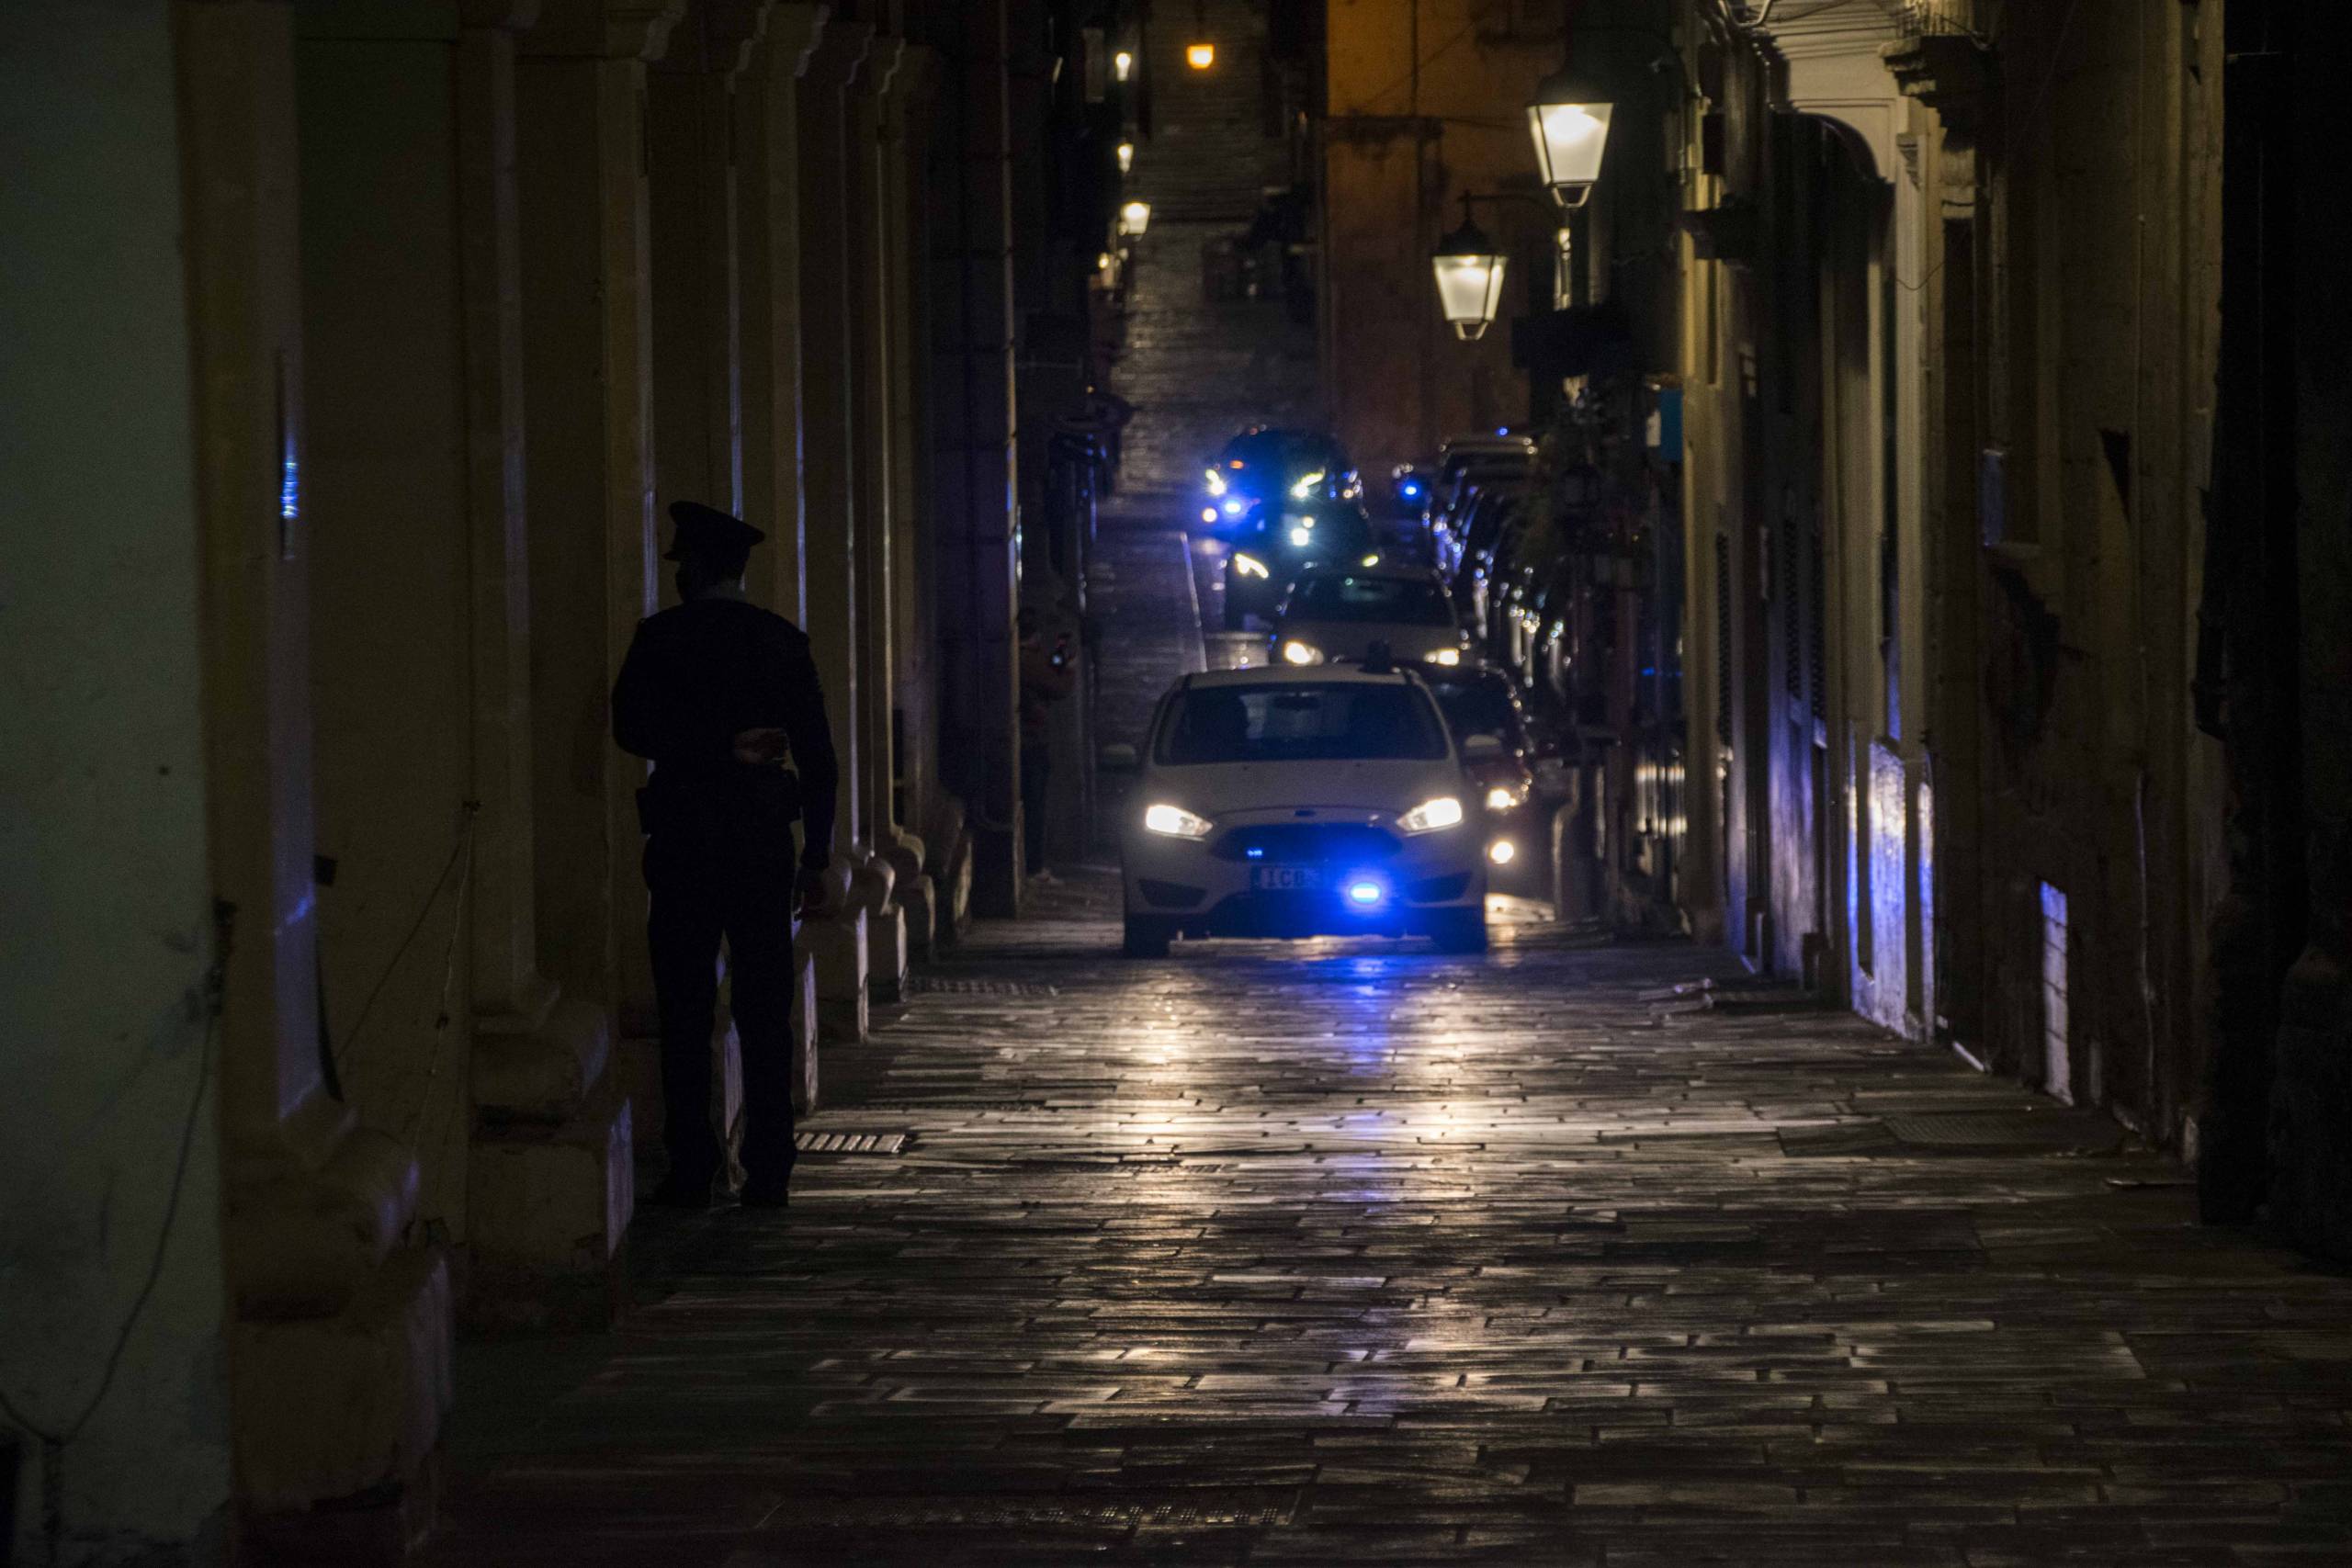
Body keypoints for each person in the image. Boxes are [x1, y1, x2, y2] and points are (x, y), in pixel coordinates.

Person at [613, 502, 838, 1209]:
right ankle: (769, 1163)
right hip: (760, 846)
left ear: (697, 569)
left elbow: (629, 727)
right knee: (764, 1008)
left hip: (684, 845)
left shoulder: (661, 639)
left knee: (685, 1010)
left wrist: (705, 748)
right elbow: (821, 759)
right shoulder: (782, 642)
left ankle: (692, 1165)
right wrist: (818, 857)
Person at [1017, 605, 1074, 881]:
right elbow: (1057, 684)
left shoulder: (1027, 659)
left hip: (1031, 740)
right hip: (1031, 742)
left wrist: (1059, 658)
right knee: (1035, 804)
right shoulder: (1026, 660)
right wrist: (1068, 670)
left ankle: (1034, 864)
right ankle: (1034, 866)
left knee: (1035, 803)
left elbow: (1050, 669)